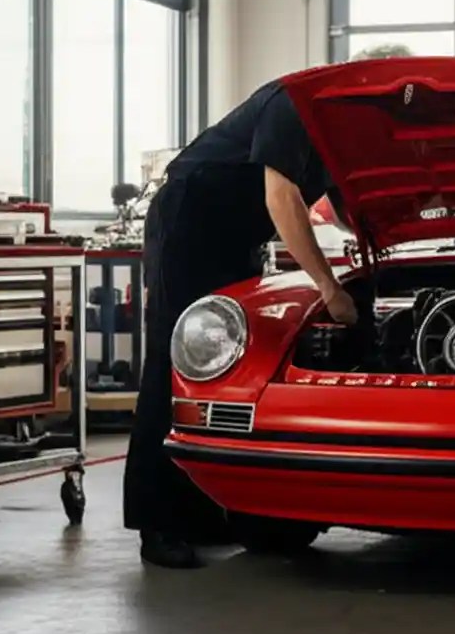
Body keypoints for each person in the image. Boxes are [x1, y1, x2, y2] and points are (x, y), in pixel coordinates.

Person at [124, 78, 359, 569]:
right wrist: (329, 287)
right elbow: (282, 199)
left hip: (237, 233)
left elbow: (344, 206)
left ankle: (205, 512)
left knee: (229, 367)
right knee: (176, 361)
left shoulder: (344, 128)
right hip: (188, 220)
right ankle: (157, 523)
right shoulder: (293, 103)